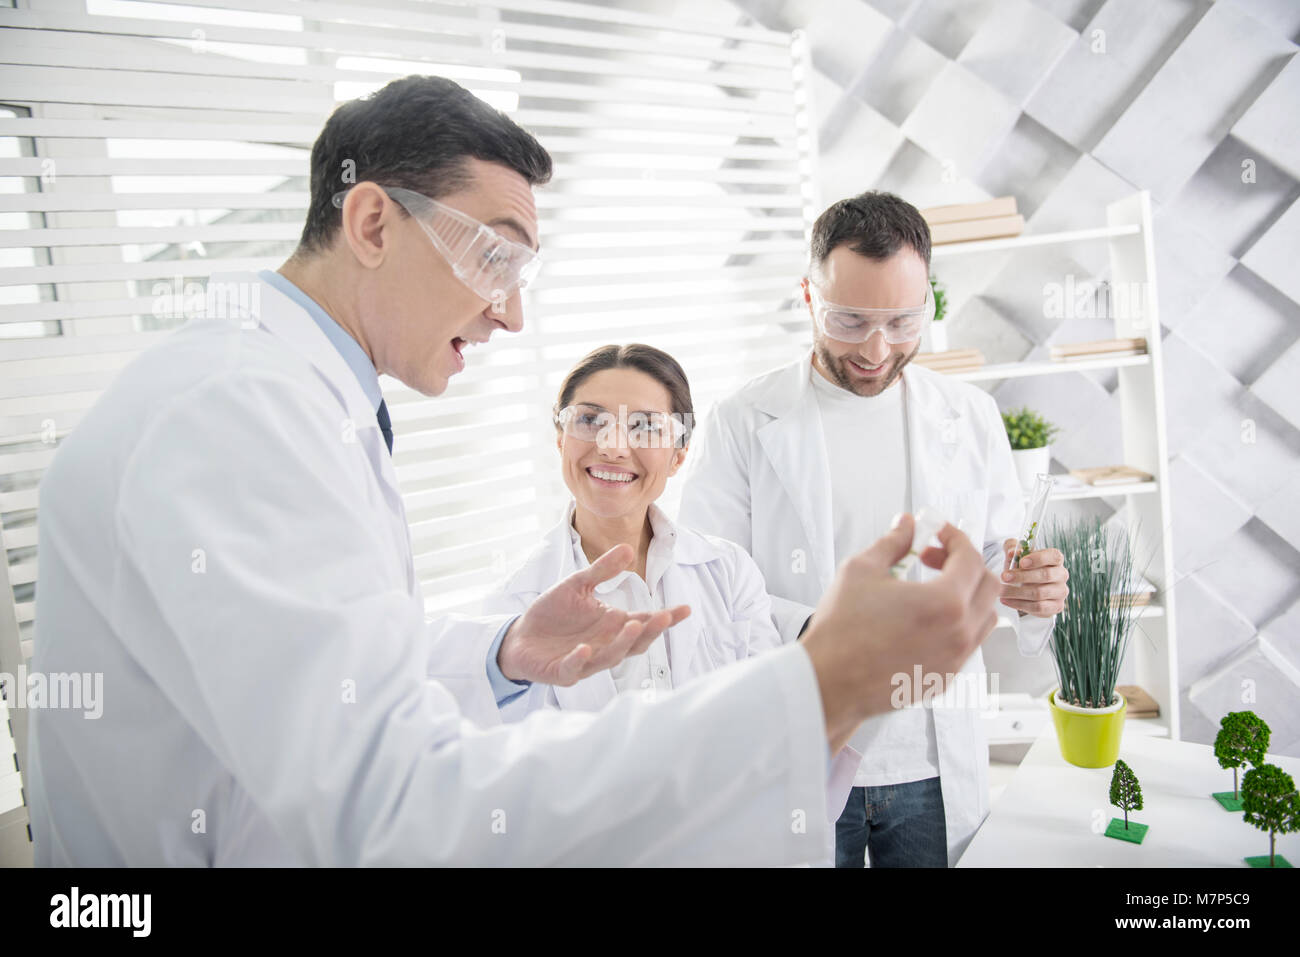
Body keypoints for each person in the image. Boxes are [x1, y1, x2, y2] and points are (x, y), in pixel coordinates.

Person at [26, 79, 1003, 866]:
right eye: (495, 260)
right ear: (371, 222)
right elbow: (392, 807)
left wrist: (499, 656)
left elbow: (331, 676)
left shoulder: (290, 396)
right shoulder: (238, 413)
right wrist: (816, 688)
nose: (511, 317)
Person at [679, 190, 1070, 868]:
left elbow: (1002, 553)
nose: (876, 348)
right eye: (849, 319)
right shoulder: (744, 421)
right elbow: (709, 588)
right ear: (808, 295)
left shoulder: (969, 416)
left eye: (902, 321)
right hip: (804, 746)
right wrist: (829, 631)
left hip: (928, 760)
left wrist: (1032, 586)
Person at [480, 344, 859, 836]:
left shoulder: (728, 572)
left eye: (646, 427)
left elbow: (766, 734)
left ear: (679, 454)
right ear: (559, 438)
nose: (614, 446)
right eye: (590, 420)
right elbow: (523, 789)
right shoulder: (513, 607)